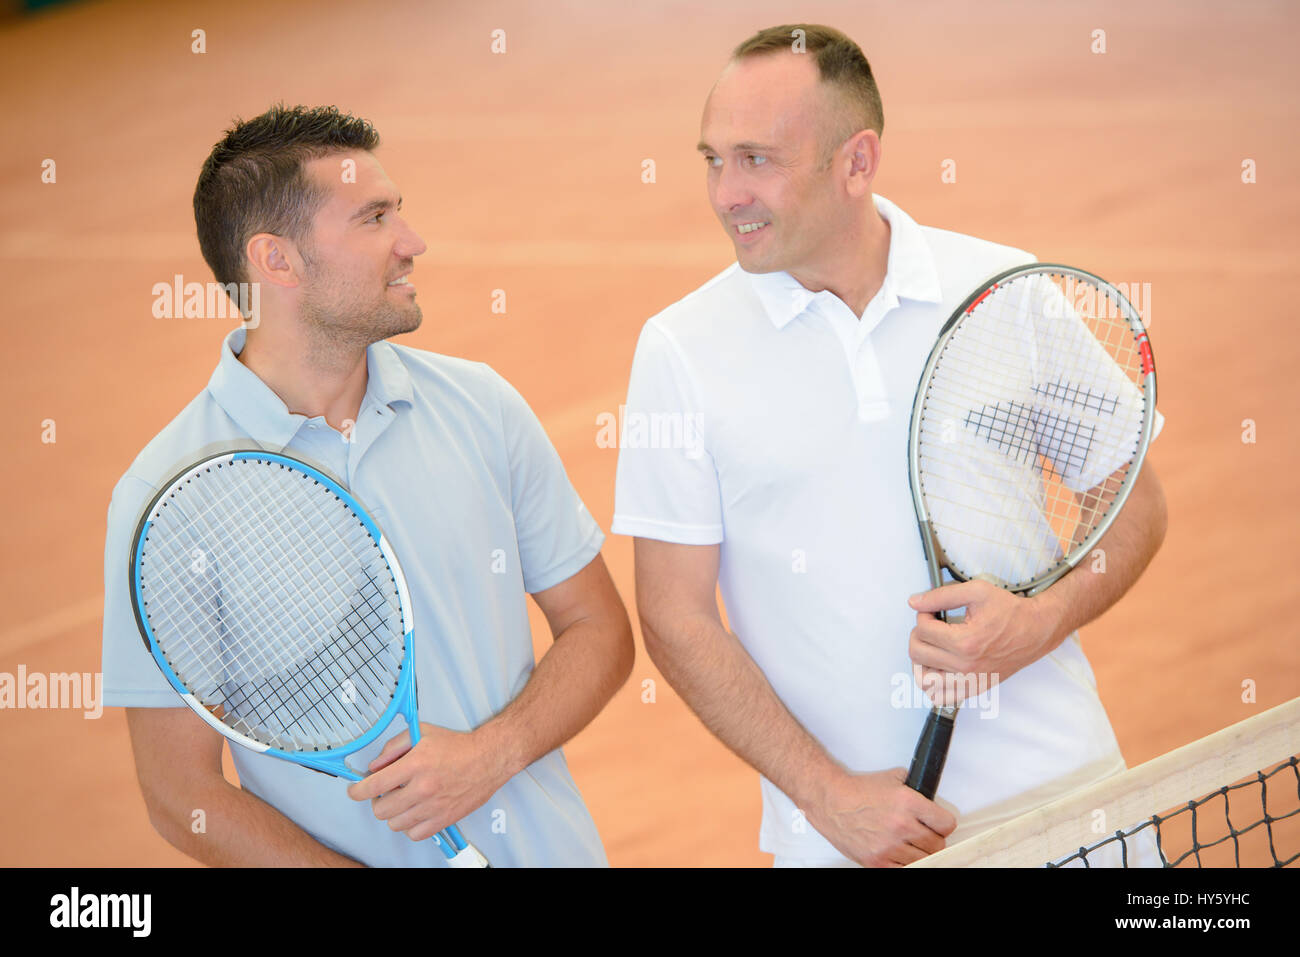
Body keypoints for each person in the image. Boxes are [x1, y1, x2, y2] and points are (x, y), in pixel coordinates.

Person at [612, 25, 1168, 867]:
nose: (727, 192)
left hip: (1073, 813)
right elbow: (675, 615)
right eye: (712, 158)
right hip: (850, 844)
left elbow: (1134, 498)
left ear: (857, 161)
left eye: (758, 159)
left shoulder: (1001, 288)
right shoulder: (679, 348)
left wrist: (1040, 620)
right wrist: (827, 795)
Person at [101, 104, 634, 867]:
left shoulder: (481, 405)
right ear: (276, 261)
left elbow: (600, 630)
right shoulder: (167, 497)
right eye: (374, 218)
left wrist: (493, 752)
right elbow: (179, 791)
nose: (412, 244)